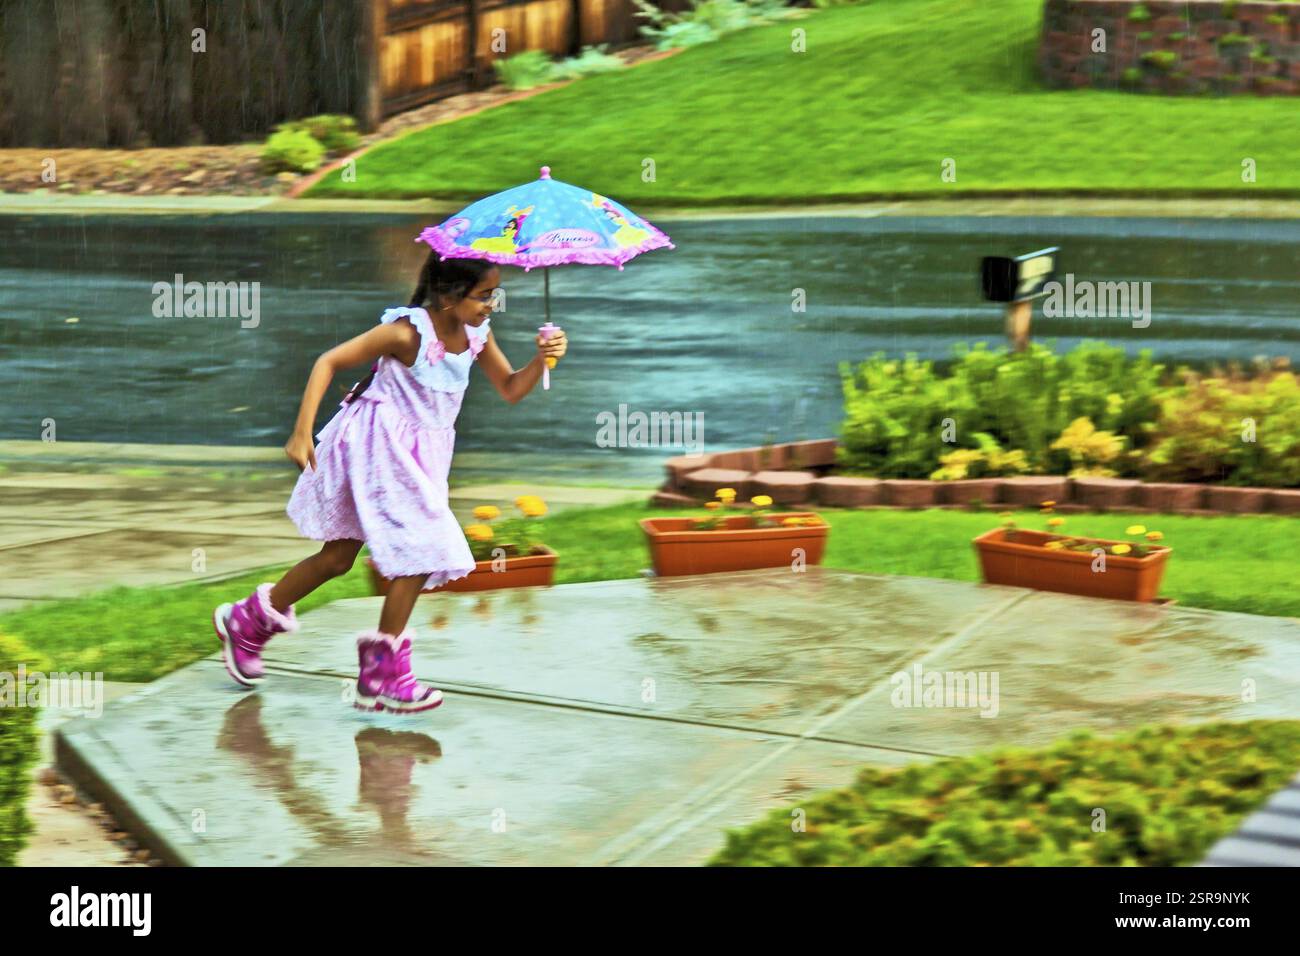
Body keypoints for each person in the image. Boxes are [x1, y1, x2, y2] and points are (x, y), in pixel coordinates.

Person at [212, 252, 566, 714]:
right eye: (483, 296)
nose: (491, 305)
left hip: (420, 457)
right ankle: (381, 672)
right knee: (421, 548)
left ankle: (247, 620)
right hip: (376, 447)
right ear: (448, 294)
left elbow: (512, 388)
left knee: (337, 558)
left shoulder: (478, 334)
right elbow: (328, 362)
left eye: (494, 295)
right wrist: (301, 431)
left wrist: (542, 360)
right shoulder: (405, 332)